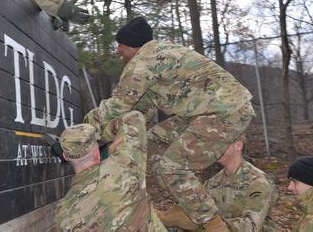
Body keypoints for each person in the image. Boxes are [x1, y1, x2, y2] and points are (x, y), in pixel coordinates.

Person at [84, 16, 255, 228]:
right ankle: (186, 208)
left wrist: (86, 129)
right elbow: (138, 110)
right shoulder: (156, 55)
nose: (118, 51)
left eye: (120, 46)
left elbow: (117, 106)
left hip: (228, 112)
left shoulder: (142, 63)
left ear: (132, 45)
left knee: (173, 166)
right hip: (205, 113)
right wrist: (110, 136)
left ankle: (212, 224)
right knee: (153, 143)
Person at [55, 111, 166, 231]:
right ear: (97, 152)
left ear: (65, 157)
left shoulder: (63, 213)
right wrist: (105, 132)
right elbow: (134, 117)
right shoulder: (123, 166)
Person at [157, 135, 278, 231]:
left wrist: (210, 224)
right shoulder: (212, 183)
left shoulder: (257, 182)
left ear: (238, 145)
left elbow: (250, 227)